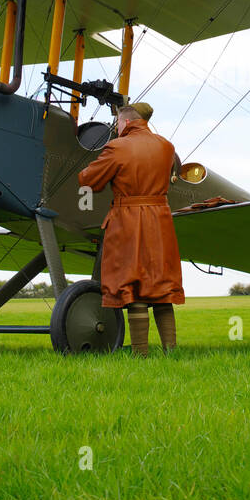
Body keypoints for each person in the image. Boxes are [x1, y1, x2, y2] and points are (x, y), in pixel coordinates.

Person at [77, 105, 183, 356]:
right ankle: (171, 351)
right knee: (161, 284)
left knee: (133, 284)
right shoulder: (166, 146)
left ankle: (140, 353)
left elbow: (89, 180)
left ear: (123, 123)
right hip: (160, 220)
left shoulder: (117, 147)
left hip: (129, 221)